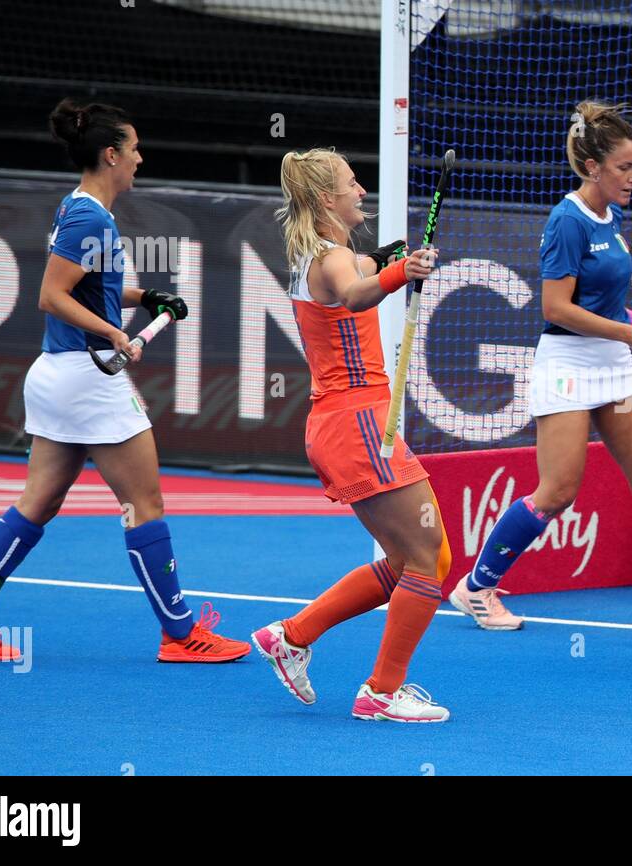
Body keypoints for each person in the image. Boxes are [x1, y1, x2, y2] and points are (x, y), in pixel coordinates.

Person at [0, 99, 249, 664]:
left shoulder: (80, 208)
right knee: (145, 503)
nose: (140, 158)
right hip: (88, 376)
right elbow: (51, 295)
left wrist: (145, 297)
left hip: (61, 375)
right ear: (111, 155)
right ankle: (181, 635)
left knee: (38, 503)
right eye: (134, 149)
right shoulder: (89, 218)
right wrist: (114, 333)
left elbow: (90, 286)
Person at [447, 101, 632, 633]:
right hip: (568, 365)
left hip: (613, 362)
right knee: (557, 491)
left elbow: (603, 297)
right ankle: (477, 588)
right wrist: (630, 334)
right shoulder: (566, 221)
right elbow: (556, 308)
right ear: (593, 167)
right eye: (624, 167)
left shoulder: (612, 215)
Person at [251, 148, 452, 722]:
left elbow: (359, 270)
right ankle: (382, 693)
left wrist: (387, 259)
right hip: (358, 424)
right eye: (352, 182)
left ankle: (293, 635)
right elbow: (355, 291)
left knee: (418, 558)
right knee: (427, 559)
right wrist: (399, 273)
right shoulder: (332, 259)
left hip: (343, 424)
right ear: (325, 199)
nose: (362, 190)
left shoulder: (318, 254)